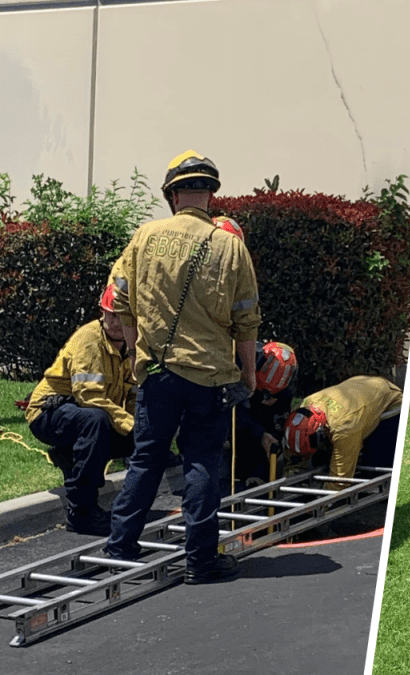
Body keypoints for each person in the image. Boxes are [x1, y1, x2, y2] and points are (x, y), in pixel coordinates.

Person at [104, 150, 261, 585]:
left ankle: (120, 547)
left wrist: (138, 355)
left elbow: (119, 301)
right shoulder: (231, 246)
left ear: (173, 194)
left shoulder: (144, 236)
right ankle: (200, 562)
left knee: (146, 460)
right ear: (210, 195)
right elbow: (246, 319)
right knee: (202, 463)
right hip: (209, 378)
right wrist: (247, 374)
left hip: (157, 374)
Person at [24, 284, 135, 536]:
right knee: (95, 421)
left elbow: (132, 393)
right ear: (102, 312)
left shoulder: (130, 345)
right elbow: (89, 397)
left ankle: (68, 454)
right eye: (112, 314)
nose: (117, 322)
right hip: (48, 412)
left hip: (83, 413)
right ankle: (81, 511)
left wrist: (143, 427)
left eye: (124, 316)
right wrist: (130, 424)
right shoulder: (89, 340)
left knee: (135, 435)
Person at [282, 375, 405, 489]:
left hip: (387, 400)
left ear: (322, 431)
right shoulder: (301, 409)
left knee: (374, 470)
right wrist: (292, 471)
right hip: (358, 387)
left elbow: (340, 480)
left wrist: (319, 506)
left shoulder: (345, 427)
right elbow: (294, 448)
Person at [228, 341, 298, 488]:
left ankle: (258, 476)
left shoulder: (284, 383)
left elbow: (278, 424)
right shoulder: (239, 361)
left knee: (268, 436)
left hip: (261, 409)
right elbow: (233, 413)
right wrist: (259, 433)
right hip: (237, 400)